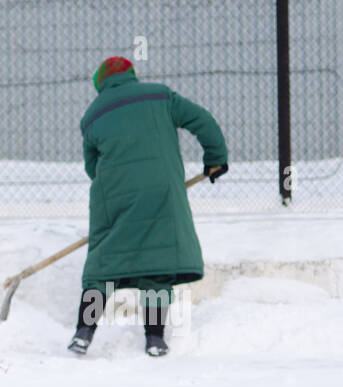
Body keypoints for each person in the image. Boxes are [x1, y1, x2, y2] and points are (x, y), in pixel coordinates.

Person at [70, 56, 227, 358]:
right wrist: (215, 158)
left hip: (112, 199)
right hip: (161, 193)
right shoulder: (159, 96)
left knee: (101, 269)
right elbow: (203, 121)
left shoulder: (92, 116)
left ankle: (83, 332)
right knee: (157, 266)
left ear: (100, 83)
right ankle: (155, 339)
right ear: (131, 75)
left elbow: (93, 168)